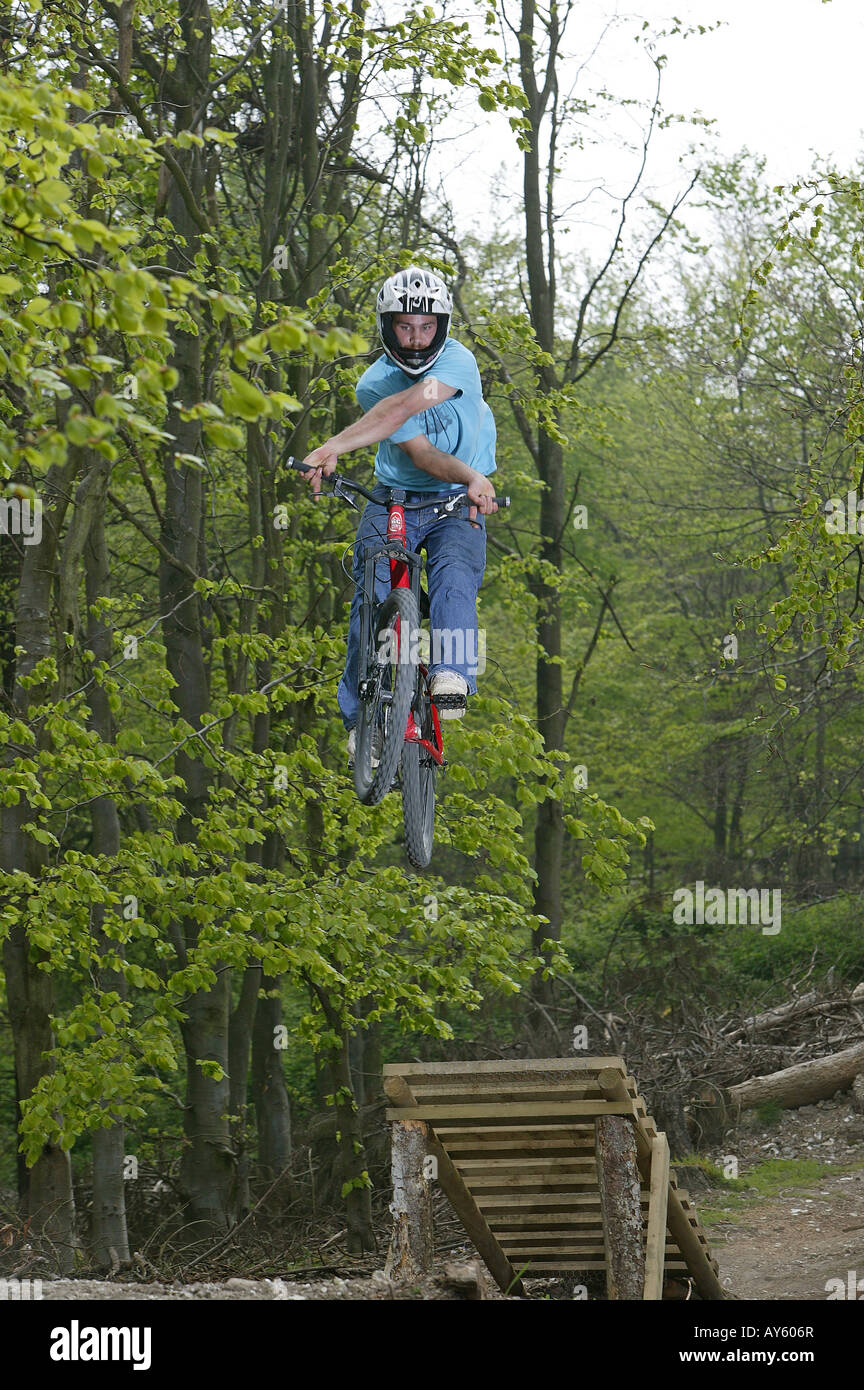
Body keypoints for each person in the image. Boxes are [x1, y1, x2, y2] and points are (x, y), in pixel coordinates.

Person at [302, 266, 498, 761]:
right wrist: (335, 449)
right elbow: (421, 454)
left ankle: (452, 673)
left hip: (459, 498)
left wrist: (332, 445)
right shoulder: (373, 384)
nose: (415, 340)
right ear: (387, 326)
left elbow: (407, 407)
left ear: (443, 327)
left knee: (455, 575)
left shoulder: (459, 363)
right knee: (371, 593)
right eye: (405, 327)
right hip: (397, 497)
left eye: (426, 327)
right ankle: (362, 722)